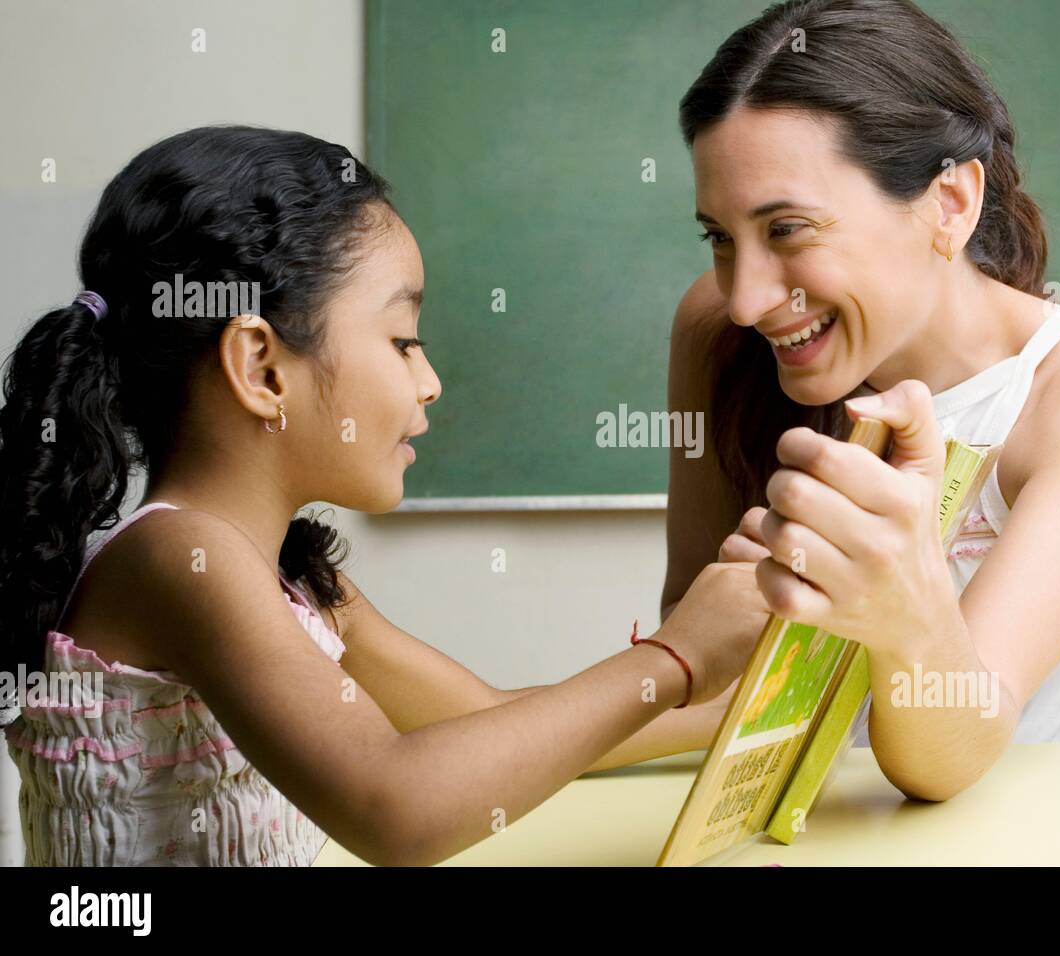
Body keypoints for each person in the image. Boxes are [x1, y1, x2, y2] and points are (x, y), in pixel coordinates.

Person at [0, 125, 769, 866]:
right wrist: (676, 655)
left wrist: (736, 700)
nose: (429, 383)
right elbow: (393, 806)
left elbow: (483, 716)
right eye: (403, 342)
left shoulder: (297, 585)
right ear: (262, 369)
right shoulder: (182, 558)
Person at [660, 0, 1060, 800]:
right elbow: (692, 659)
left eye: (788, 229)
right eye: (720, 238)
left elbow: (950, 759)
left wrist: (902, 600)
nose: (747, 299)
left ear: (950, 204)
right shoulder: (717, 333)